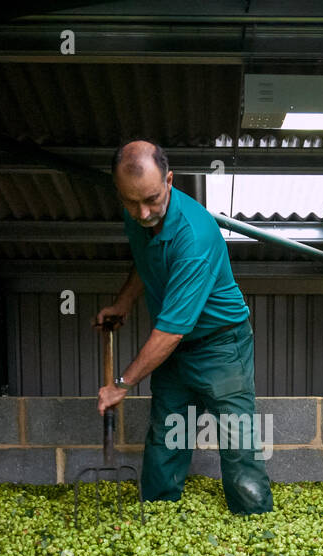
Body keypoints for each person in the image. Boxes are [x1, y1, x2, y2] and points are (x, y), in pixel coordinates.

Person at [93, 138, 273, 516]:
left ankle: (254, 523)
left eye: (152, 200)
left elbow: (171, 331)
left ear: (170, 180)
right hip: (174, 350)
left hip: (220, 345)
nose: (143, 213)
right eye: (132, 202)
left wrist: (121, 386)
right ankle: (158, 516)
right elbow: (148, 260)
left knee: (237, 437)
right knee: (167, 436)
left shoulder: (195, 235)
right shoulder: (139, 212)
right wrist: (124, 301)